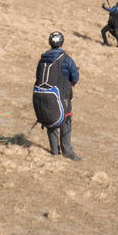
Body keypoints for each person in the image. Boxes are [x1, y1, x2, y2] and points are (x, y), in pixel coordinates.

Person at [36, 31, 80, 160]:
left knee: (51, 121)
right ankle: (67, 152)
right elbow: (75, 77)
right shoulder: (66, 59)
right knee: (65, 121)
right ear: (62, 42)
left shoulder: (42, 59)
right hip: (62, 96)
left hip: (42, 97)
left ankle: (54, 151)